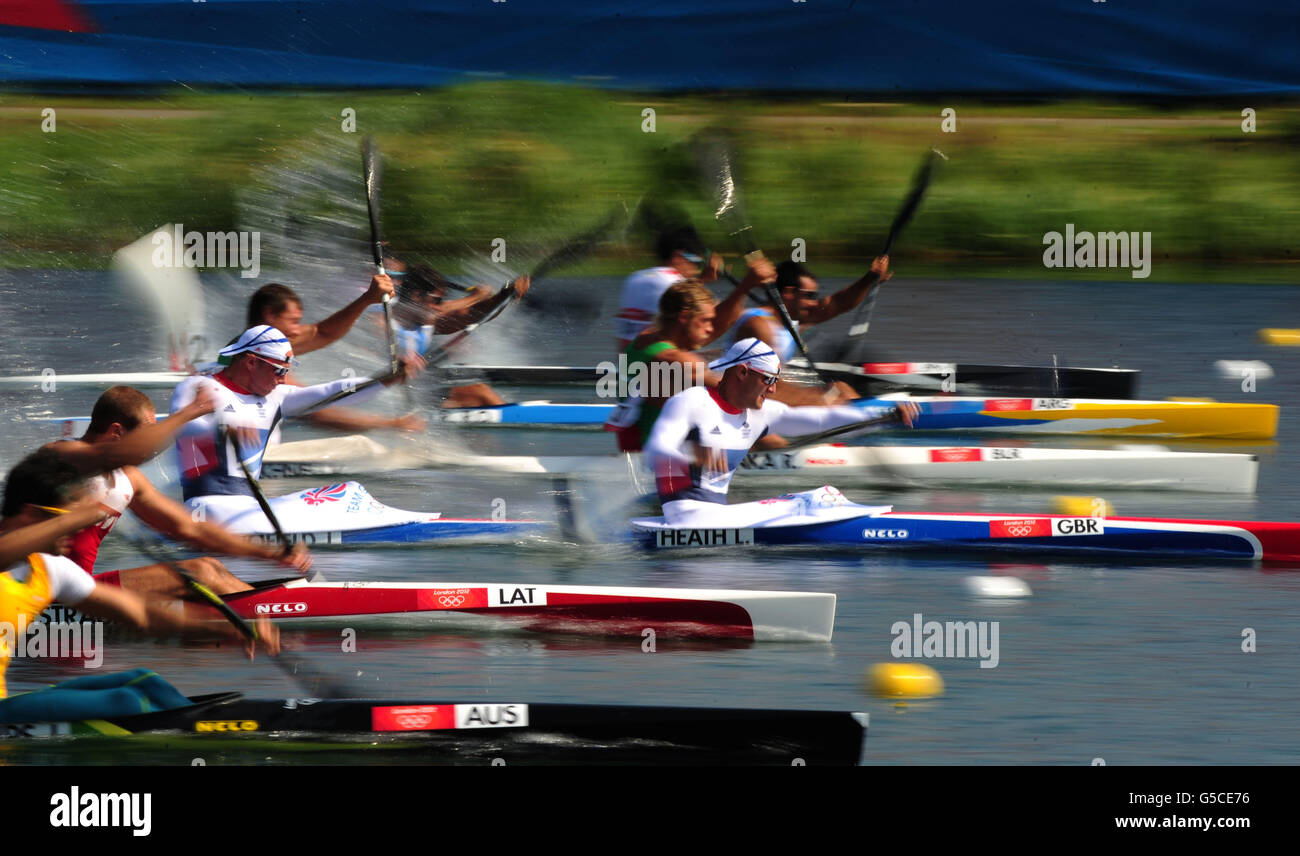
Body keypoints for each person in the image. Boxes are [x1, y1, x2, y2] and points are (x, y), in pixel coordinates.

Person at [0, 451, 278, 714]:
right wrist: (87, 513)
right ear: (30, 514)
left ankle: (212, 729)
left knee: (143, 681)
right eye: (65, 520)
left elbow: (142, 613)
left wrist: (227, 629)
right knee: (126, 700)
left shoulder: (50, 569)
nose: (76, 532)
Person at [40, 386, 312, 597]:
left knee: (211, 566)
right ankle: (272, 615)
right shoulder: (60, 455)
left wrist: (270, 553)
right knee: (202, 572)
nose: (154, 443)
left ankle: (271, 608)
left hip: (79, 589)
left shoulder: (129, 479)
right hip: (42, 591)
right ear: (116, 432)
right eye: (149, 433)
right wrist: (192, 411)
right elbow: (130, 451)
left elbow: (192, 530)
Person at [644, 338, 917, 527]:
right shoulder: (692, 401)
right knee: (816, 500)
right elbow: (655, 449)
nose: (773, 389)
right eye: (768, 380)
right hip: (686, 519)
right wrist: (692, 453)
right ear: (741, 372)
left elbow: (822, 418)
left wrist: (882, 417)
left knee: (818, 497)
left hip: (717, 517)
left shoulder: (762, 413)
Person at [170, 325, 415, 519]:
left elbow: (331, 392)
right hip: (206, 507)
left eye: (286, 371)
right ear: (251, 362)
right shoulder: (199, 386)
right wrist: (220, 430)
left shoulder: (276, 397)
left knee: (346, 492)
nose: (283, 379)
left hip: (248, 508)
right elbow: (180, 426)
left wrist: (385, 379)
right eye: (278, 370)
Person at [607, 275, 849, 452]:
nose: (712, 329)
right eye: (705, 321)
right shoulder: (681, 362)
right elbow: (751, 392)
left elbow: (713, 329)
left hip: (635, 450)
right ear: (683, 319)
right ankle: (787, 452)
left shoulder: (645, 340)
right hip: (667, 467)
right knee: (750, 414)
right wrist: (824, 403)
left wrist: (745, 286)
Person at [234, 280, 423, 434]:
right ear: (269, 315)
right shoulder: (255, 361)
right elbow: (318, 412)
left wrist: (367, 299)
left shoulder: (268, 343)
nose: (296, 330)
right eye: (293, 321)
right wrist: (392, 424)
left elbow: (323, 333)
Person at [391, 263, 530, 408]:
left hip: (414, 389)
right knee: (480, 393)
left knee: (478, 388)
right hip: (391, 395)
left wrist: (504, 295)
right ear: (416, 296)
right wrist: (476, 297)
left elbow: (471, 314)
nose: (439, 306)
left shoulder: (427, 319)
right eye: (437, 300)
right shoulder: (384, 320)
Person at [720, 257, 892, 364]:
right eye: (808, 296)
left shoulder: (792, 318)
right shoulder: (758, 325)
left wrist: (869, 279)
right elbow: (767, 383)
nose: (813, 303)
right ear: (788, 293)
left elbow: (839, 302)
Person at [615, 226, 757, 350]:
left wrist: (702, 280)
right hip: (656, 368)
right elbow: (716, 320)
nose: (696, 270)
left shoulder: (635, 278)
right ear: (677, 257)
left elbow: (677, 296)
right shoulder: (670, 282)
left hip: (632, 361)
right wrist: (746, 285)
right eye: (696, 262)